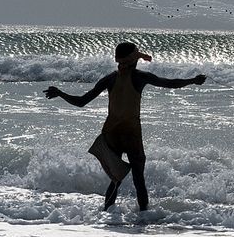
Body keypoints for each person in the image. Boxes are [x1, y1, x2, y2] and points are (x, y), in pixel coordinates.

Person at [44, 42, 206, 211]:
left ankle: (106, 213)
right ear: (134, 60)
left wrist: (61, 93)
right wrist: (193, 80)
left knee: (115, 179)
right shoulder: (140, 77)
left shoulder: (109, 79)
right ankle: (143, 218)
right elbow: (169, 83)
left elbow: (81, 102)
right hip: (131, 135)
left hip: (112, 134)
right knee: (139, 180)